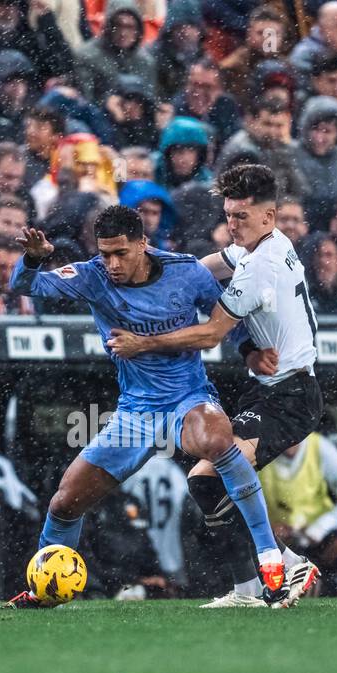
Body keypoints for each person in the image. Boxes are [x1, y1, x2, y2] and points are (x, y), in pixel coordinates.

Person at [4, 203, 289, 606]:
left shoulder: (187, 271)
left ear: (143, 243)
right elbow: (24, 285)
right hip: (134, 413)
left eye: (121, 252)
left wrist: (248, 352)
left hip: (187, 399)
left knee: (216, 439)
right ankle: (43, 591)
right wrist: (32, 259)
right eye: (105, 253)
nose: (112, 263)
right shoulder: (92, 276)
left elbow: (229, 319)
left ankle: (269, 558)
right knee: (65, 503)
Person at [105, 165, 322, 608]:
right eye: (228, 215)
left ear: (269, 216)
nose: (232, 225)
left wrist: (144, 341)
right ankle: (246, 590)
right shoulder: (265, 246)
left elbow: (209, 334)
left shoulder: (258, 267)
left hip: (290, 396)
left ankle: (288, 562)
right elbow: (202, 270)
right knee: (206, 484)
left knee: (210, 478)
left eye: (241, 216)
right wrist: (154, 275)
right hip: (270, 389)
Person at [258, 433, 337, 590]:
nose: (289, 436)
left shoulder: (320, 447)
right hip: (275, 540)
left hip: (319, 535)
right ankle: (323, 589)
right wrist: (266, 528)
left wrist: (320, 527)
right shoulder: (255, 449)